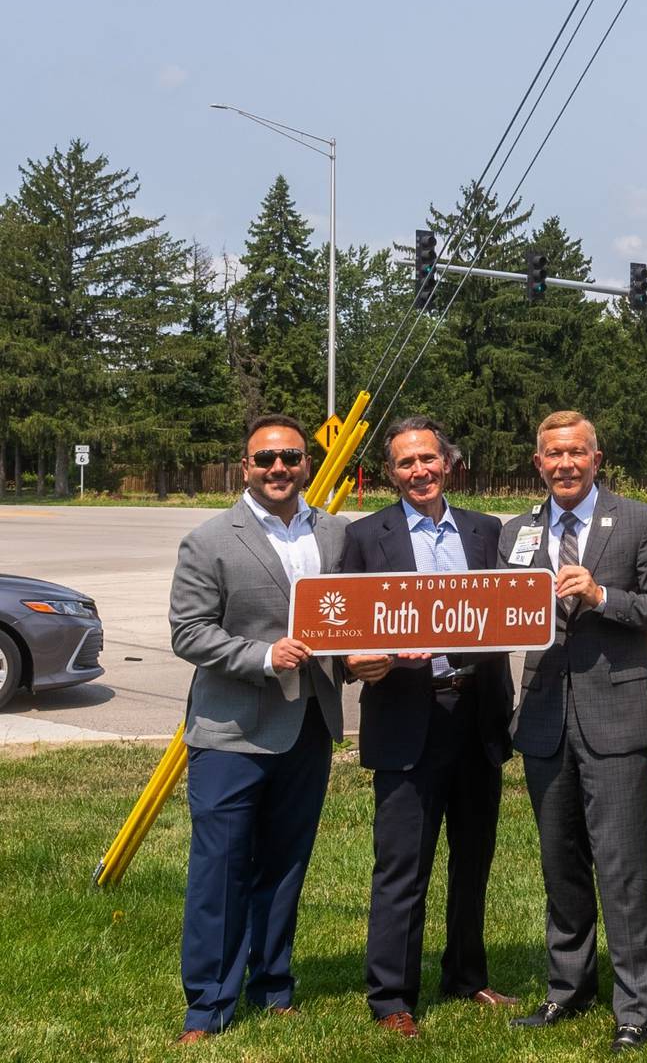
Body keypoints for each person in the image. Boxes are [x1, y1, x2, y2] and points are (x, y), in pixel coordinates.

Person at [497, 410, 647, 1053]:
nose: (565, 464)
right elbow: (494, 619)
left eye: (577, 453)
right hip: (545, 719)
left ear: (596, 459)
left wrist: (604, 596)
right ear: (538, 463)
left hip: (616, 718)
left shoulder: (637, 521)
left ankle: (635, 1004)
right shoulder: (516, 532)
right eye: (553, 454)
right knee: (560, 866)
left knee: (624, 868)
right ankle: (567, 989)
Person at [168, 414, 348, 1043]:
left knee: (284, 863)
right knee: (220, 867)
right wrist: (265, 657)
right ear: (245, 466)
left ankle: (273, 984)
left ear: (306, 463)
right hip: (230, 731)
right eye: (265, 458)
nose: (279, 468)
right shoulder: (210, 539)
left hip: (309, 727)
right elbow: (189, 632)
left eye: (291, 457)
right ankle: (209, 1004)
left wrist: (367, 659)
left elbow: (345, 624)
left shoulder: (335, 533)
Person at [342, 416, 517, 1037]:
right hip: (406, 717)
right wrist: (358, 661)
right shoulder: (365, 537)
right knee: (401, 866)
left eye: (428, 460)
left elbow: (512, 608)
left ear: (449, 463)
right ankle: (392, 997)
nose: (418, 472)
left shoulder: (486, 531)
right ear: (391, 474)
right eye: (405, 464)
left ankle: (467, 975)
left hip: (477, 714)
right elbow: (342, 630)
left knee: (473, 860)